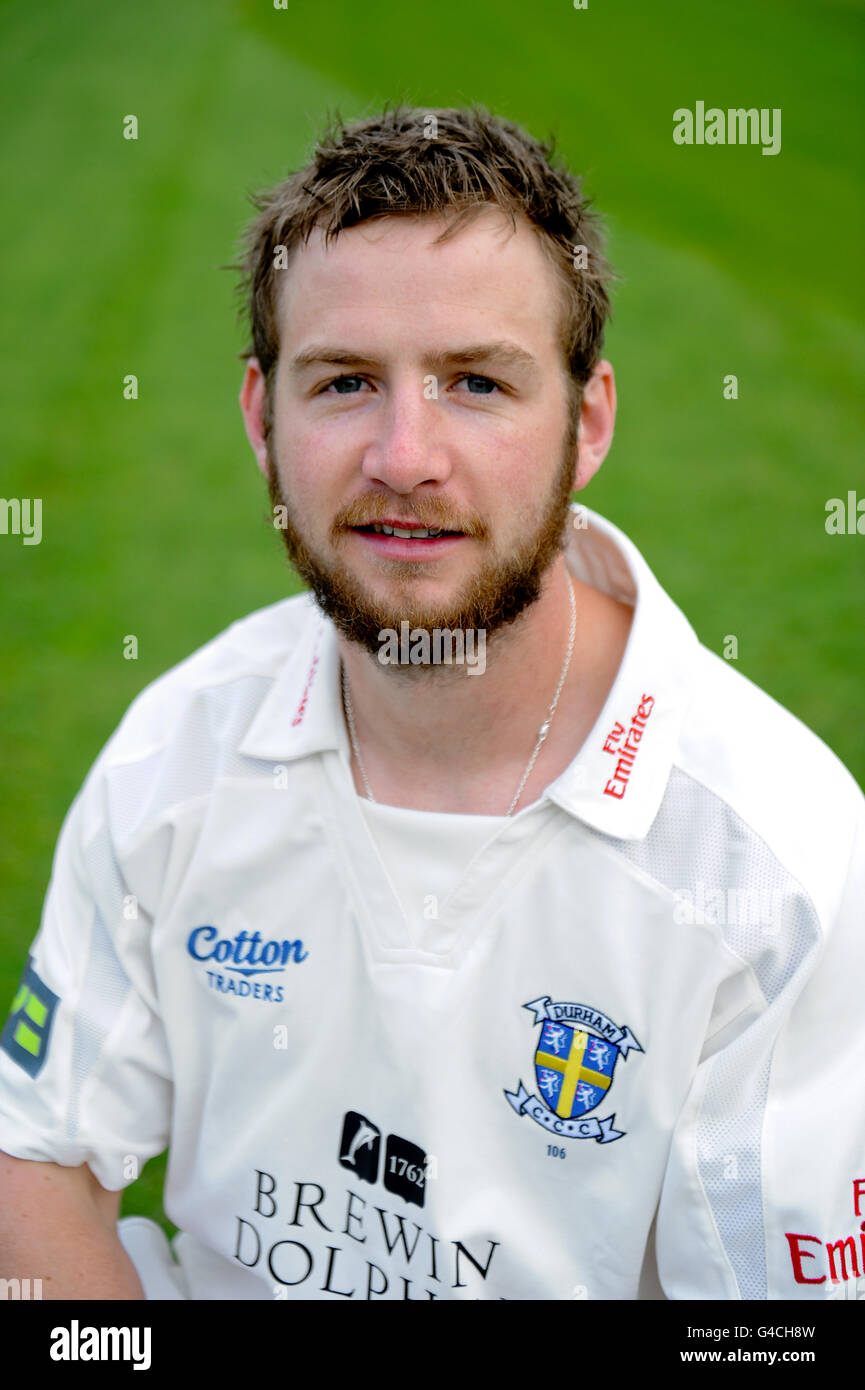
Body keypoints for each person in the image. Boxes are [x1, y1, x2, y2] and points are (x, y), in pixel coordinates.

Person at [0, 105, 862, 1302]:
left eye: (475, 382)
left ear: (588, 421)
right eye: (345, 381)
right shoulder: (177, 748)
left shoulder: (776, 851)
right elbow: (35, 1160)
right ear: (262, 420)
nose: (405, 455)